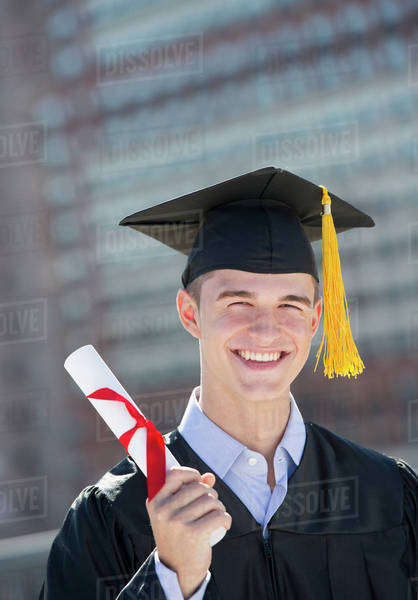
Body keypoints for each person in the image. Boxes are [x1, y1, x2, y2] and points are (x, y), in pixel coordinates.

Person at [39, 167, 417, 599]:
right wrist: (171, 576)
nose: (265, 330)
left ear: (315, 320)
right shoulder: (108, 516)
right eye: (238, 302)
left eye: (289, 305)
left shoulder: (386, 493)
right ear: (190, 313)